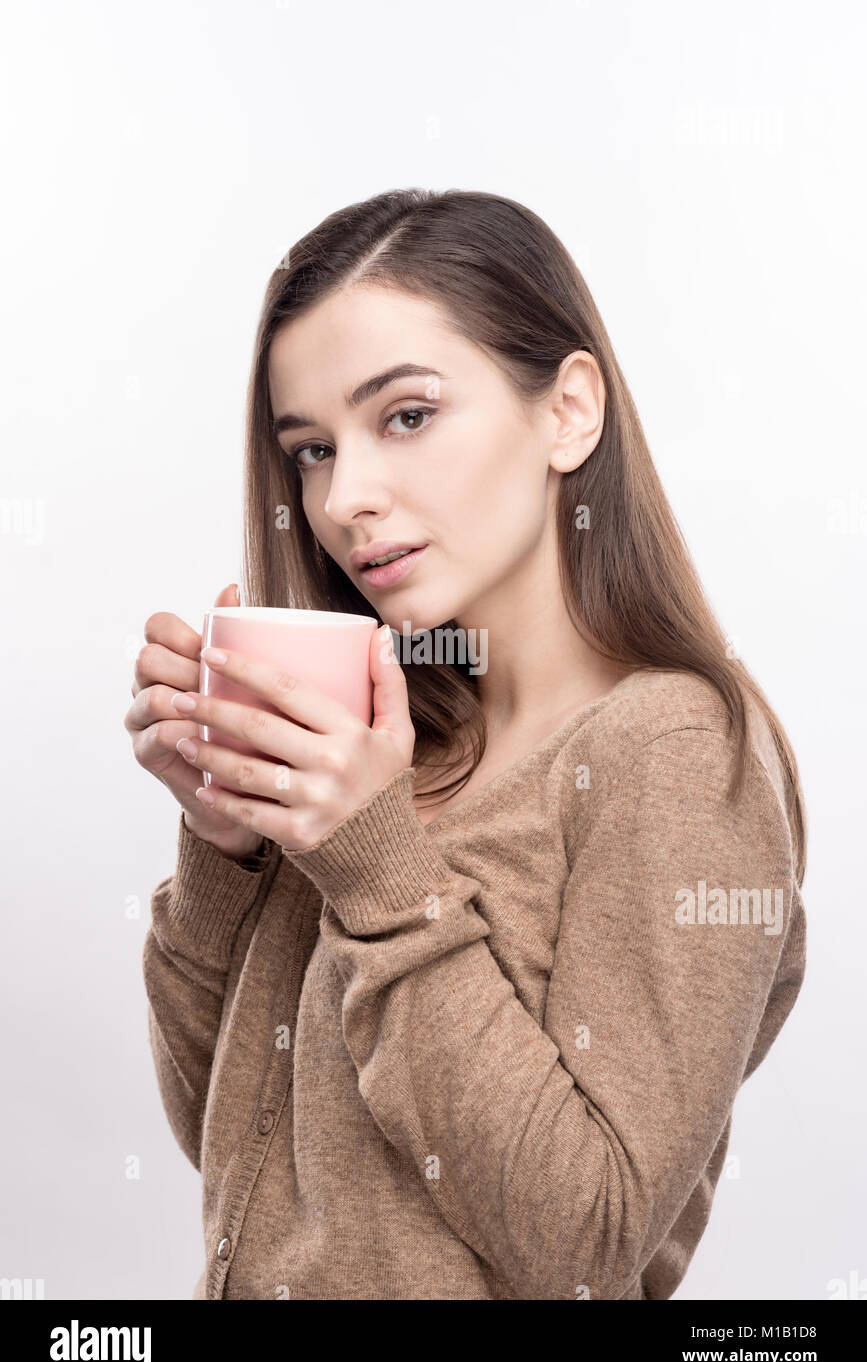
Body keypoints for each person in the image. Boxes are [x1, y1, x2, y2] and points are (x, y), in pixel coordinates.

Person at [125, 188, 807, 1300]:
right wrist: (223, 843)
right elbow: (237, 1155)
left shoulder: (677, 752)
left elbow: (584, 1242)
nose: (345, 498)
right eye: (310, 449)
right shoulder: (390, 742)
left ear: (568, 411)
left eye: (405, 416)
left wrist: (377, 868)